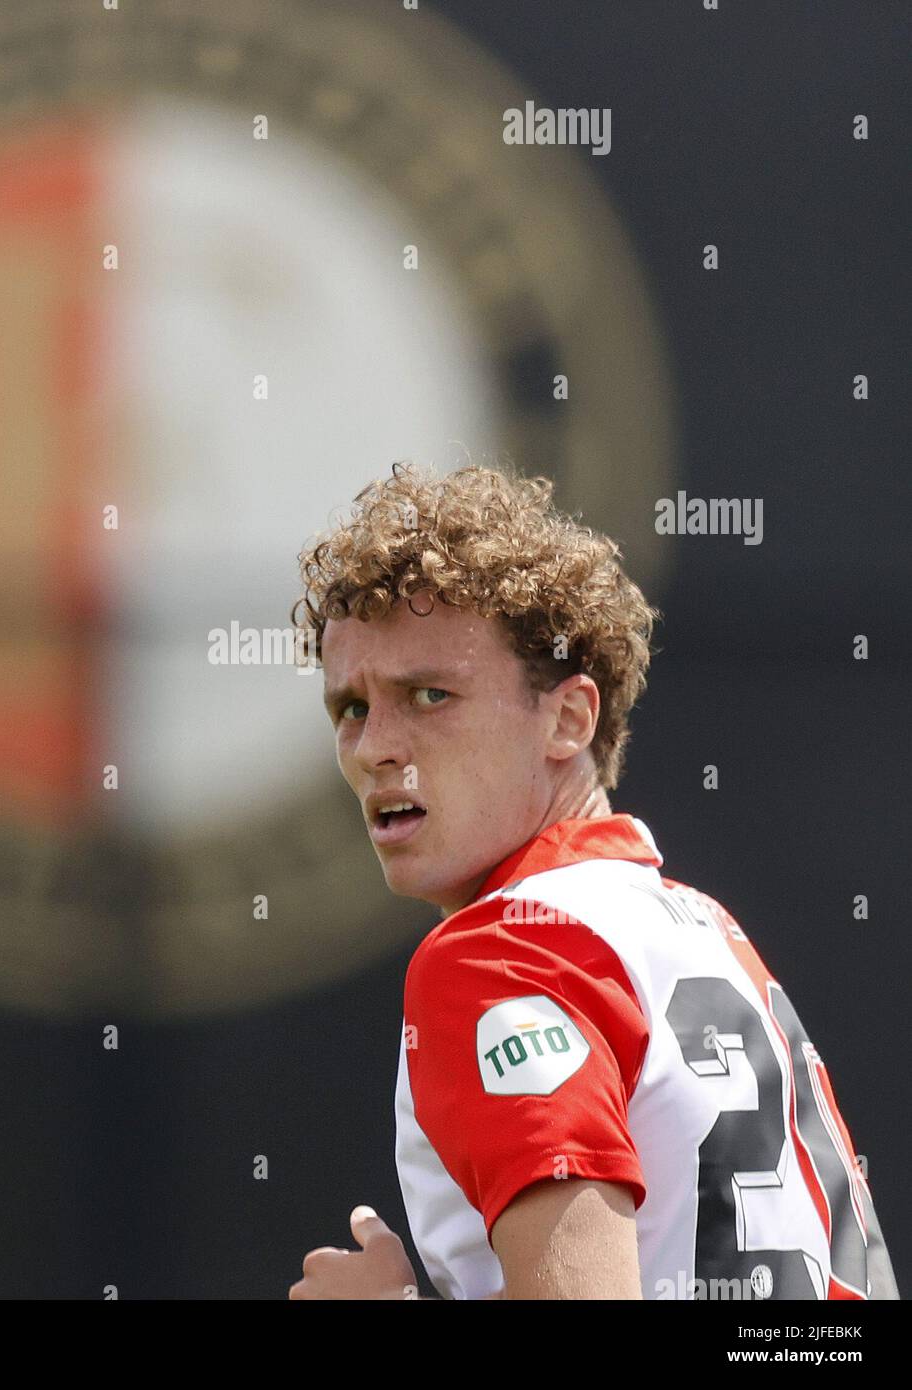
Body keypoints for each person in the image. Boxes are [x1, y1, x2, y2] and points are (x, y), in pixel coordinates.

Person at [287, 462, 898, 1301]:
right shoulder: (700, 927)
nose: (375, 746)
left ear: (569, 719)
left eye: (429, 695)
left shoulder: (504, 950)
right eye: (350, 708)